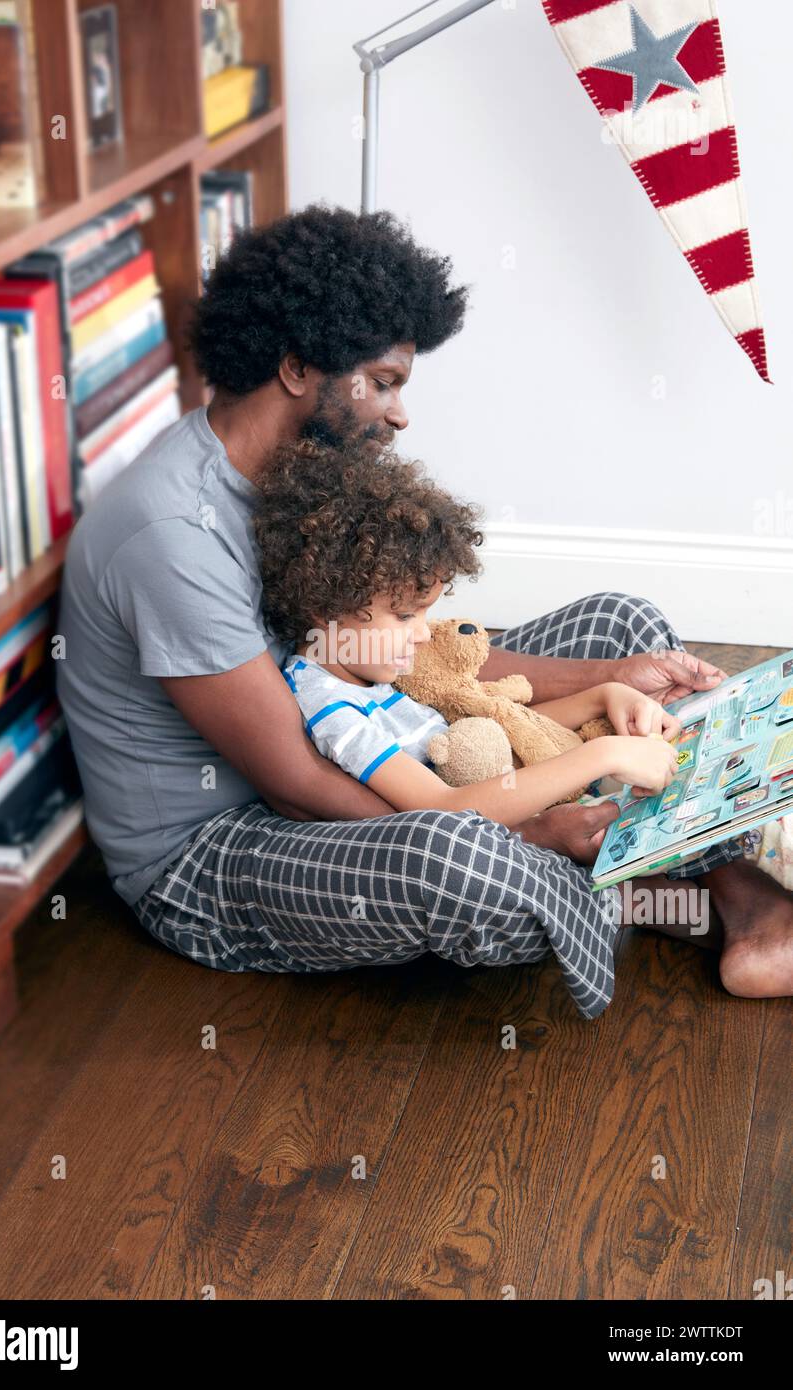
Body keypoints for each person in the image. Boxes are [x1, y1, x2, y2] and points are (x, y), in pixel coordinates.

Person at [56, 203, 793, 1019]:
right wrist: (522, 829)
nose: (401, 415)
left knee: (623, 623)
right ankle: (647, 882)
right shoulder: (172, 536)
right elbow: (297, 784)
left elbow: (422, 659)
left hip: (377, 745)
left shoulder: (304, 476)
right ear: (298, 367)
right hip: (220, 845)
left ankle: (737, 897)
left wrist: (609, 675)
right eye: (382, 383)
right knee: (464, 861)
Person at [259, 436, 681, 828]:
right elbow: (448, 808)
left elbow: (490, 738)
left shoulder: (370, 670)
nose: (424, 635)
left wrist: (602, 698)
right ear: (324, 609)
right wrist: (601, 756)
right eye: (406, 616)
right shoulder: (331, 708)